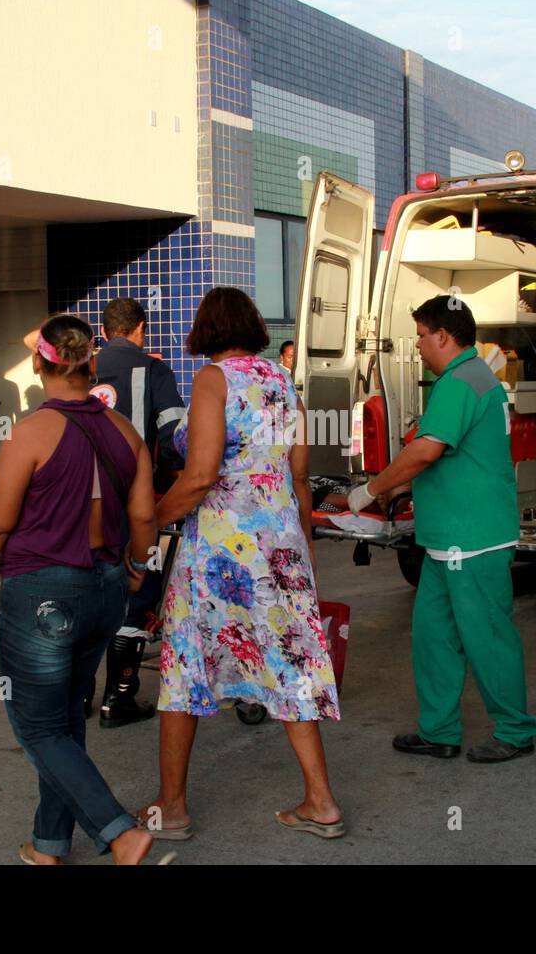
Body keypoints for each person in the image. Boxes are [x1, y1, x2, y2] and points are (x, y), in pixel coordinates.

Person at [0, 315, 159, 866]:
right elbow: (143, 516)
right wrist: (137, 564)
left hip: (42, 594)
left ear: (40, 364)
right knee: (64, 717)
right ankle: (48, 844)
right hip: (106, 587)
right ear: (92, 363)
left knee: (37, 727)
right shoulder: (124, 431)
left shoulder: (31, 432)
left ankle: (118, 831)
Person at [143, 287, 343, 841]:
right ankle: (321, 801)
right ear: (252, 325)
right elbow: (300, 478)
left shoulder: (213, 379)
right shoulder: (284, 384)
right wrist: (302, 556)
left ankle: (173, 807)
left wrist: (149, 522)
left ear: (206, 330)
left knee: (186, 665)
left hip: (220, 553)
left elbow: (201, 473)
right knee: (293, 665)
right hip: (280, 553)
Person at [345, 294, 536, 764]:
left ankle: (515, 730)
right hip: (447, 538)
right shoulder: (466, 378)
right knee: (434, 637)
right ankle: (439, 730)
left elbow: (426, 450)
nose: (418, 347)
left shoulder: (462, 381)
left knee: (487, 638)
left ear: (443, 337)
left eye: (421, 338)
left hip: (473, 538)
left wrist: (370, 490)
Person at [90, 296, 187, 728]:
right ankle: (119, 699)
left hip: (81, 502)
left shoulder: (82, 368)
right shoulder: (153, 369)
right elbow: (174, 436)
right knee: (137, 590)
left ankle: (79, 701)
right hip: (135, 501)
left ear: (104, 330)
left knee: (88, 592)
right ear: (140, 329)